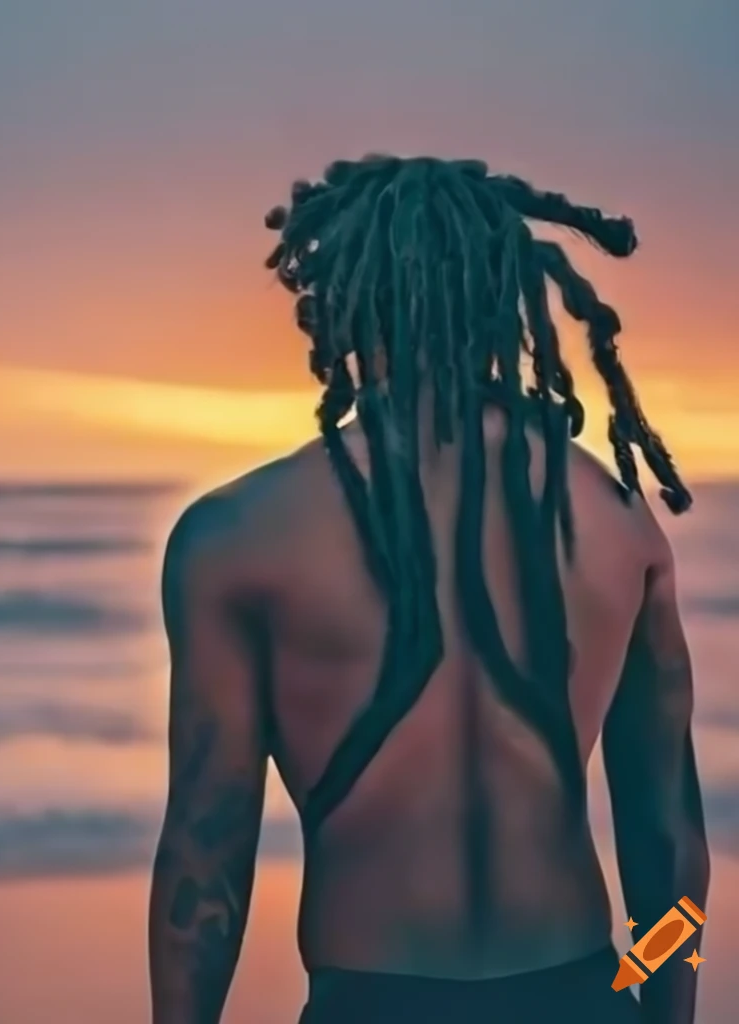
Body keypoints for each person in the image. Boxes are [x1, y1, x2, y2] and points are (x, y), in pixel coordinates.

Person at [146, 154, 710, 1024]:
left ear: (335, 300)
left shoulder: (239, 536)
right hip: (589, 997)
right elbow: (671, 852)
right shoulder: (618, 523)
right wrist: (660, 1003)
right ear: (508, 301)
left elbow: (205, 864)